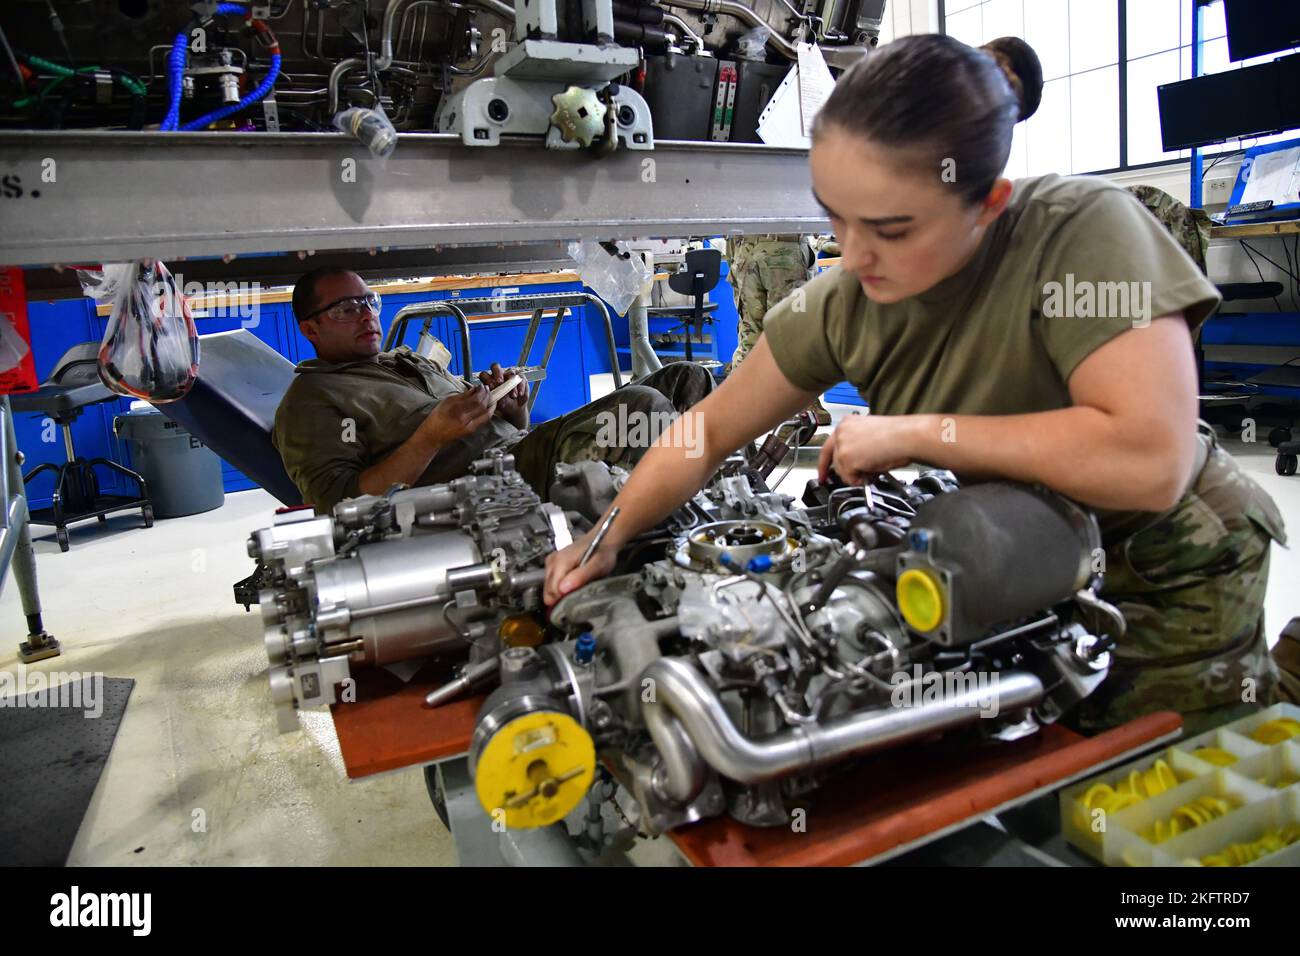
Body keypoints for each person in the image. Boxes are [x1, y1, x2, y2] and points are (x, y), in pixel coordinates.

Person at [543, 34, 1287, 736]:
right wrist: (611, 536)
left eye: (892, 229)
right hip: (1018, 554)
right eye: (837, 219)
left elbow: (1147, 460)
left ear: (989, 203)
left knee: (1157, 786)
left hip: (1163, 558)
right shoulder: (843, 306)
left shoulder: (1082, 233)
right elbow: (705, 432)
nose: (856, 255)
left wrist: (919, 432)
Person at [272, 267, 713, 513]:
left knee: (686, 378)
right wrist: (430, 437)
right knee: (643, 408)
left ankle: (714, 495)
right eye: (347, 309)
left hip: (525, 446)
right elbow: (336, 504)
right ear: (309, 328)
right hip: (493, 486)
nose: (368, 316)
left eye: (370, 302)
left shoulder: (402, 358)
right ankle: (685, 520)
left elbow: (493, 425)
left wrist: (511, 409)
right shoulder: (311, 401)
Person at [726, 235, 832, 440]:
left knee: (750, 337)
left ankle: (731, 419)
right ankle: (789, 425)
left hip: (746, 251)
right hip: (786, 252)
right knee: (790, 341)